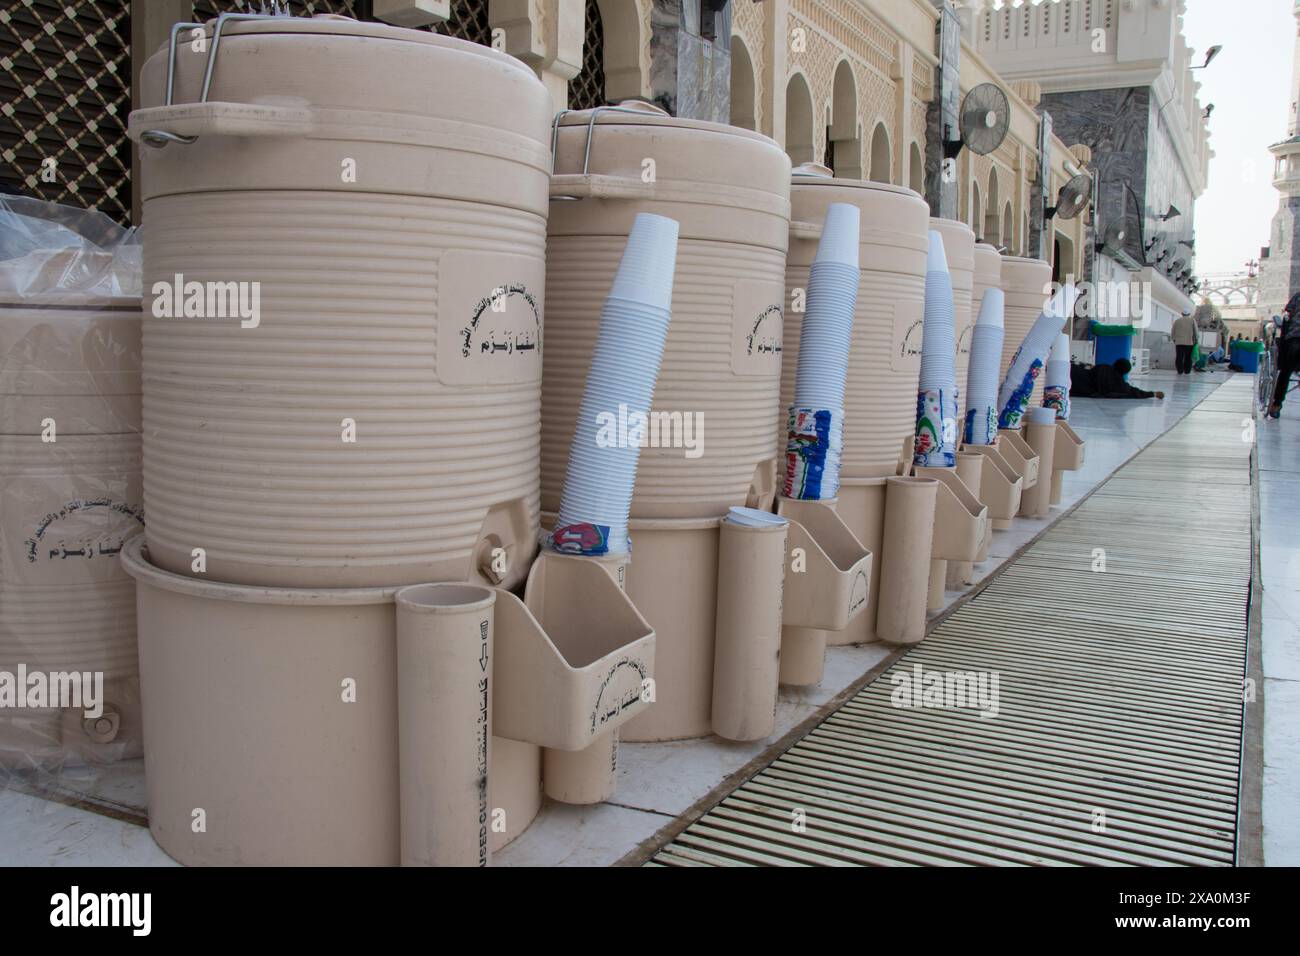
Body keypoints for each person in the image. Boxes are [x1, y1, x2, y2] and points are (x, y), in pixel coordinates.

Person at [1268, 292, 1300, 418]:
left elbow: (1287, 316)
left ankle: (1276, 404)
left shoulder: (1297, 297)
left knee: (1286, 371)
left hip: (1295, 338)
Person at [1072, 358, 1166, 400]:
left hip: (1074, 373)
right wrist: (1153, 393)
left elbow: (1086, 367)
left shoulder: (1103, 367)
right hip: (1077, 388)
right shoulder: (1119, 384)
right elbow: (1135, 392)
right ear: (1124, 372)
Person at [1171, 307, 1198, 375]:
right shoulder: (1192, 320)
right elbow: (1195, 331)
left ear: (1182, 313)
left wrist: (1174, 339)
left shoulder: (1177, 321)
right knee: (1188, 357)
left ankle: (1180, 370)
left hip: (1179, 342)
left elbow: (1173, 331)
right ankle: (1187, 371)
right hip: (1189, 342)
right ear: (1189, 314)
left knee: (1179, 356)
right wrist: (1196, 339)